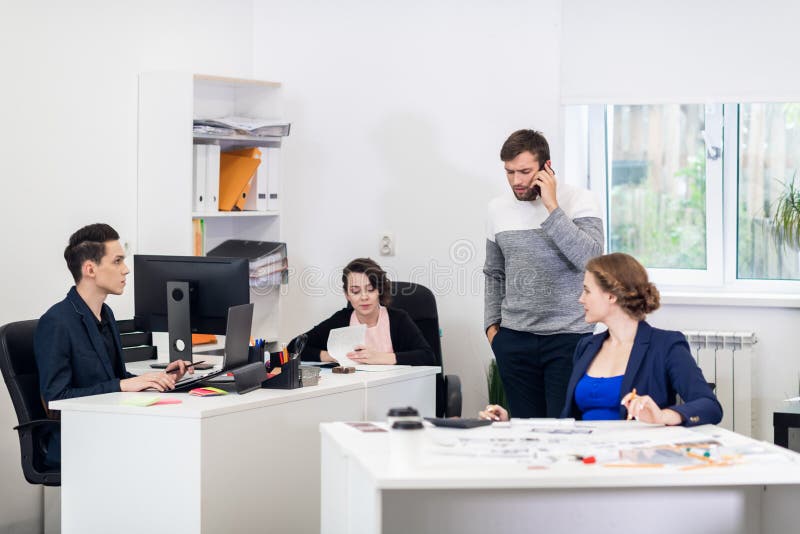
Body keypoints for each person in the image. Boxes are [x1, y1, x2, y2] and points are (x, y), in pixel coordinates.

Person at [480, 253, 722, 426]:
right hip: (585, 463)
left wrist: (663, 416)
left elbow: (709, 406)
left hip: (634, 464)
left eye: (586, 290)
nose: (580, 299)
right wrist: (510, 425)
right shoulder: (587, 347)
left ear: (611, 296)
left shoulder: (666, 346)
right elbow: (566, 422)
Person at [34, 223, 193, 467]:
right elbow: (57, 398)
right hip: (78, 440)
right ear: (90, 269)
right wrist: (124, 384)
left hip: (109, 426)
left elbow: (114, 379)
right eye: (117, 261)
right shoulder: (56, 322)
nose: (126, 270)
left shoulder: (105, 314)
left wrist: (159, 378)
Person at [484, 129, 604, 418]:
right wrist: (492, 330)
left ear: (546, 167)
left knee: (565, 433)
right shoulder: (497, 209)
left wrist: (552, 207)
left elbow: (590, 260)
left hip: (569, 338)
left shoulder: (580, 200)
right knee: (527, 435)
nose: (517, 181)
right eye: (509, 172)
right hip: (514, 340)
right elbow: (494, 273)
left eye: (524, 171)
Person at [289, 258, 435, 366]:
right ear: (347, 295)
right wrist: (331, 355)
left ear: (379, 290)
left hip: (396, 392)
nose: (364, 297)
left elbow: (427, 356)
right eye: (355, 291)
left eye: (370, 289)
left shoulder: (398, 320)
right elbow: (294, 347)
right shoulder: (341, 321)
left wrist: (380, 358)